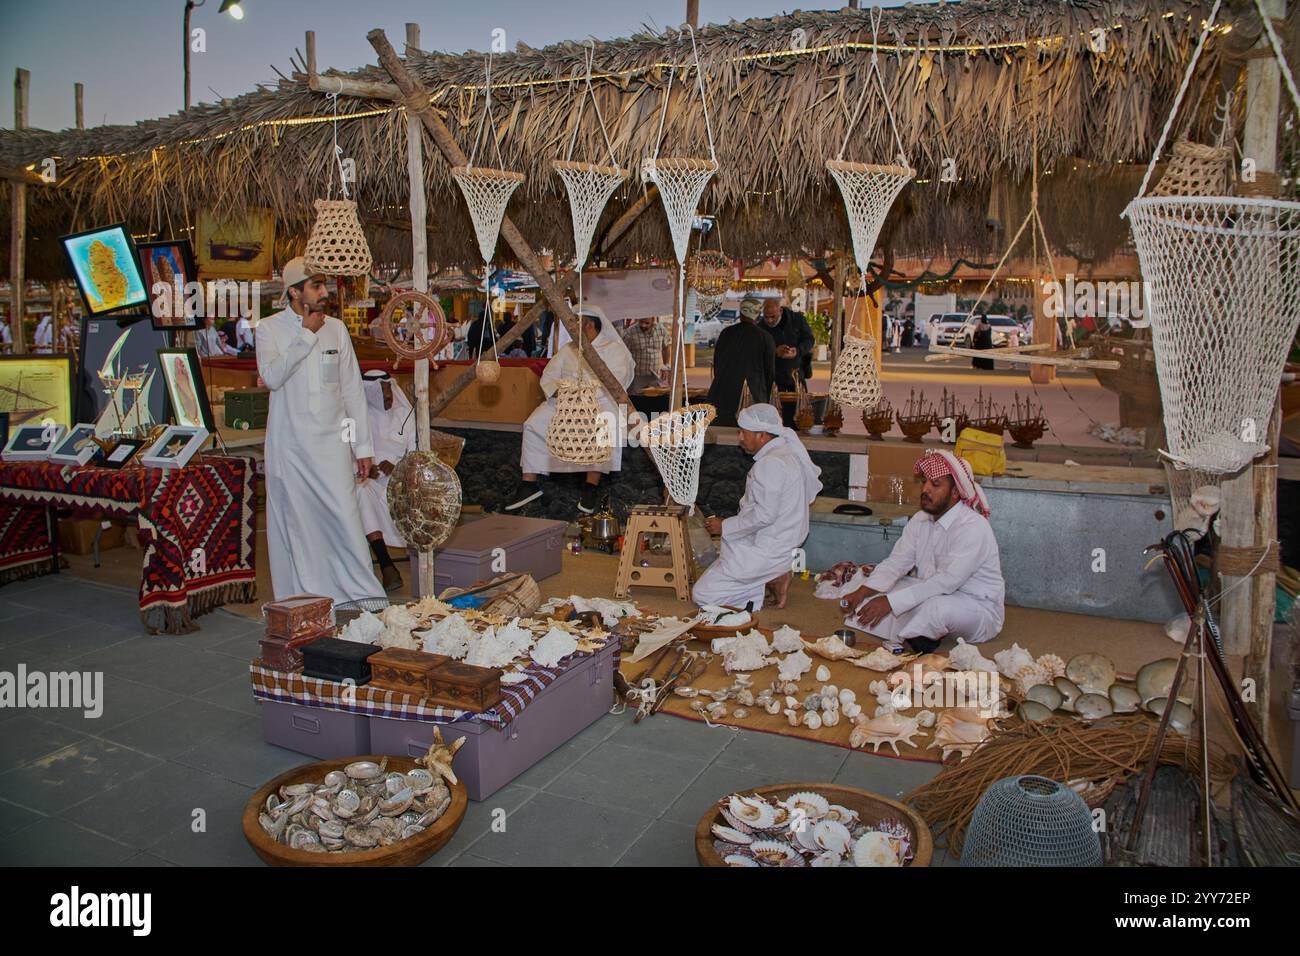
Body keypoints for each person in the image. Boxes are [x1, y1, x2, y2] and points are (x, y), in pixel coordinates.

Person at [257, 256, 378, 602]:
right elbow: (274, 377)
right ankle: (305, 598)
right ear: (294, 293)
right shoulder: (269, 329)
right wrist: (306, 336)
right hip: (290, 448)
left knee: (345, 516)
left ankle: (360, 595)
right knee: (298, 524)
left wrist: (361, 447)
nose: (325, 292)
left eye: (324, 284)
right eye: (316, 285)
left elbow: (352, 392)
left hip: (334, 445)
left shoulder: (337, 330)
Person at [830, 450, 1005, 654]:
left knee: (936, 608)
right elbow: (896, 563)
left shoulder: (973, 527)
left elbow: (946, 582)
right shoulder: (921, 519)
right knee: (876, 595)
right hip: (930, 591)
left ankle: (908, 641)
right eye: (925, 482)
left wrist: (891, 603)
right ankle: (920, 634)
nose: (926, 489)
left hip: (975, 606)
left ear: (956, 493)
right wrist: (862, 592)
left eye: (935, 484)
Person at [504, 305, 635, 516]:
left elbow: (615, 382)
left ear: (589, 324)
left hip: (599, 403)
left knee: (604, 428)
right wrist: (564, 393)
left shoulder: (614, 350)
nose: (571, 327)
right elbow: (549, 376)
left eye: (576, 322)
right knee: (533, 423)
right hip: (565, 403)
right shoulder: (568, 349)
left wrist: (584, 393)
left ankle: (590, 486)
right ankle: (529, 483)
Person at [694, 403, 823, 611]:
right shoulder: (785, 453)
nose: (740, 438)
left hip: (770, 546)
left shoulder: (771, 464)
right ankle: (766, 581)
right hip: (777, 540)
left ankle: (772, 575)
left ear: (762, 435)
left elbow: (764, 515)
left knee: (703, 595)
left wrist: (724, 526)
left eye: (744, 433)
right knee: (725, 562)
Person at [357, 370, 417, 592]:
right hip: (369, 481)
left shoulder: (405, 414)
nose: (389, 396)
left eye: (389, 389)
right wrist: (363, 468)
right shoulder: (356, 417)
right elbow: (344, 449)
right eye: (382, 392)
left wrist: (398, 467)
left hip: (403, 478)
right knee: (361, 493)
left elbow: (417, 451)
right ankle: (386, 564)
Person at [706, 296, 775, 427]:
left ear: (741, 313)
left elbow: (718, 364)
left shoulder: (726, 333)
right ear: (757, 315)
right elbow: (769, 372)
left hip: (722, 394)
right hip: (751, 397)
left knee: (721, 437)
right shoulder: (765, 337)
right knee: (749, 436)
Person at [758, 296, 815, 389]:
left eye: (772, 316)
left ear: (780, 311)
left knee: (799, 402)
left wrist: (797, 351)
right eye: (766, 317)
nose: (769, 320)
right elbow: (757, 351)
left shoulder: (797, 319)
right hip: (773, 379)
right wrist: (775, 352)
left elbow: (809, 339)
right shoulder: (760, 327)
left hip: (796, 375)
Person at [622, 316, 671, 394]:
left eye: (647, 323)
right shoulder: (630, 332)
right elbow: (624, 352)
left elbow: (666, 348)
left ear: (653, 320)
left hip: (655, 375)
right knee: (636, 401)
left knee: (655, 400)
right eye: (641, 322)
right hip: (637, 376)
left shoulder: (661, 330)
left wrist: (666, 366)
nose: (643, 325)